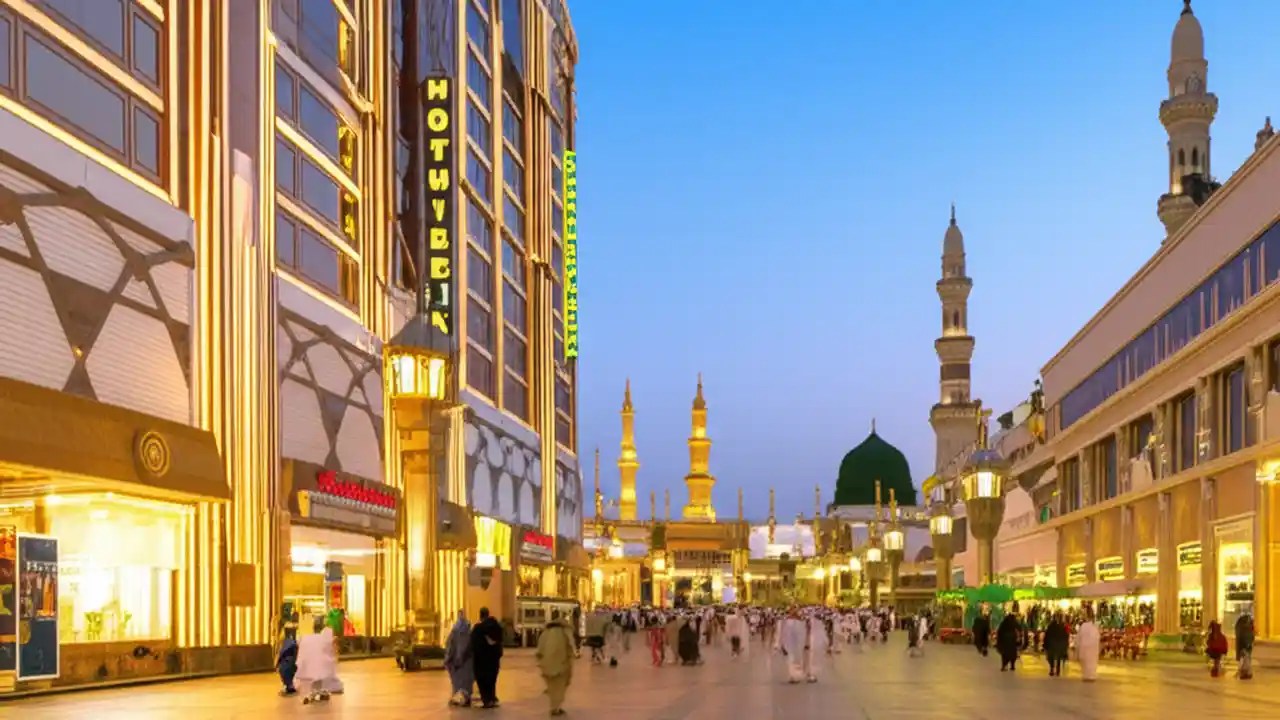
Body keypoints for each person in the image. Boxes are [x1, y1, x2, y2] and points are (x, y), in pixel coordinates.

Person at [536, 610, 576, 717]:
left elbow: (540, 648)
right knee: (559, 687)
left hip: (547, 664)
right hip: (561, 663)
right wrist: (573, 654)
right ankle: (555, 708)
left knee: (553, 687)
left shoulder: (546, 631)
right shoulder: (565, 630)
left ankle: (554, 707)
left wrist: (540, 660)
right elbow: (571, 644)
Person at [296, 616, 337, 704]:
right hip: (320, 666)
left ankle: (315, 692)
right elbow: (329, 652)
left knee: (316, 678)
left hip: (310, 666)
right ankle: (317, 693)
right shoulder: (324, 639)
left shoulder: (307, 638)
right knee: (320, 676)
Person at [470, 607, 504, 708]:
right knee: (492, 681)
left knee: (483, 681)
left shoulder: (478, 629)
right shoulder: (496, 627)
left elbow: (473, 645)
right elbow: (500, 642)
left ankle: (487, 700)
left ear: (480, 616)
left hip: (481, 662)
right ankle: (492, 698)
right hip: (494, 661)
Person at [776, 609, 821, 683]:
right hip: (797, 645)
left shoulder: (795, 622)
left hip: (800, 645)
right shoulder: (791, 622)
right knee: (796, 659)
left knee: (798, 659)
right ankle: (796, 676)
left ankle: (801, 675)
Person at [444, 610, 474, 706]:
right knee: (465, 682)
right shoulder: (469, 633)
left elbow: (450, 646)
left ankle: (459, 697)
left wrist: (448, 659)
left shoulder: (454, 633)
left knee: (458, 683)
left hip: (457, 663)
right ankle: (465, 697)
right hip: (466, 663)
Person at [1076, 611, 1101, 682]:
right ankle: (1091, 675)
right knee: (1091, 663)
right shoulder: (1094, 628)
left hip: (1084, 648)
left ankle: (1086, 675)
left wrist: (1077, 646)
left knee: (1085, 663)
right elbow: (1097, 638)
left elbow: (1078, 638)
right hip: (1092, 649)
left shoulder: (1083, 627)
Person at [1043, 612, 1069, 677]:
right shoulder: (1062, 626)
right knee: (1059, 656)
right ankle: (1057, 669)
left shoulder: (1051, 626)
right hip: (1058, 643)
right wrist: (1065, 645)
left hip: (1052, 643)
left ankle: (1052, 668)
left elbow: (1047, 635)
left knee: (1051, 657)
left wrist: (1045, 644)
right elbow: (1065, 636)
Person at [275, 628, 298, 696]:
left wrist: (277, 663)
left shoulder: (285, 643)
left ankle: (289, 686)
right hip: (291, 663)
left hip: (286, 663)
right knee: (287, 673)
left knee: (284, 671)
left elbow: (281, 654)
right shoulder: (293, 642)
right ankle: (289, 686)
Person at [1235, 609, 1255, 680]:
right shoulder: (1247, 627)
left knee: (1245, 659)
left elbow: (1240, 637)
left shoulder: (1241, 626)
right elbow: (1251, 636)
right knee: (1246, 658)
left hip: (1244, 646)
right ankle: (1246, 672)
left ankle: (1245, 672)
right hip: (1246, 646)